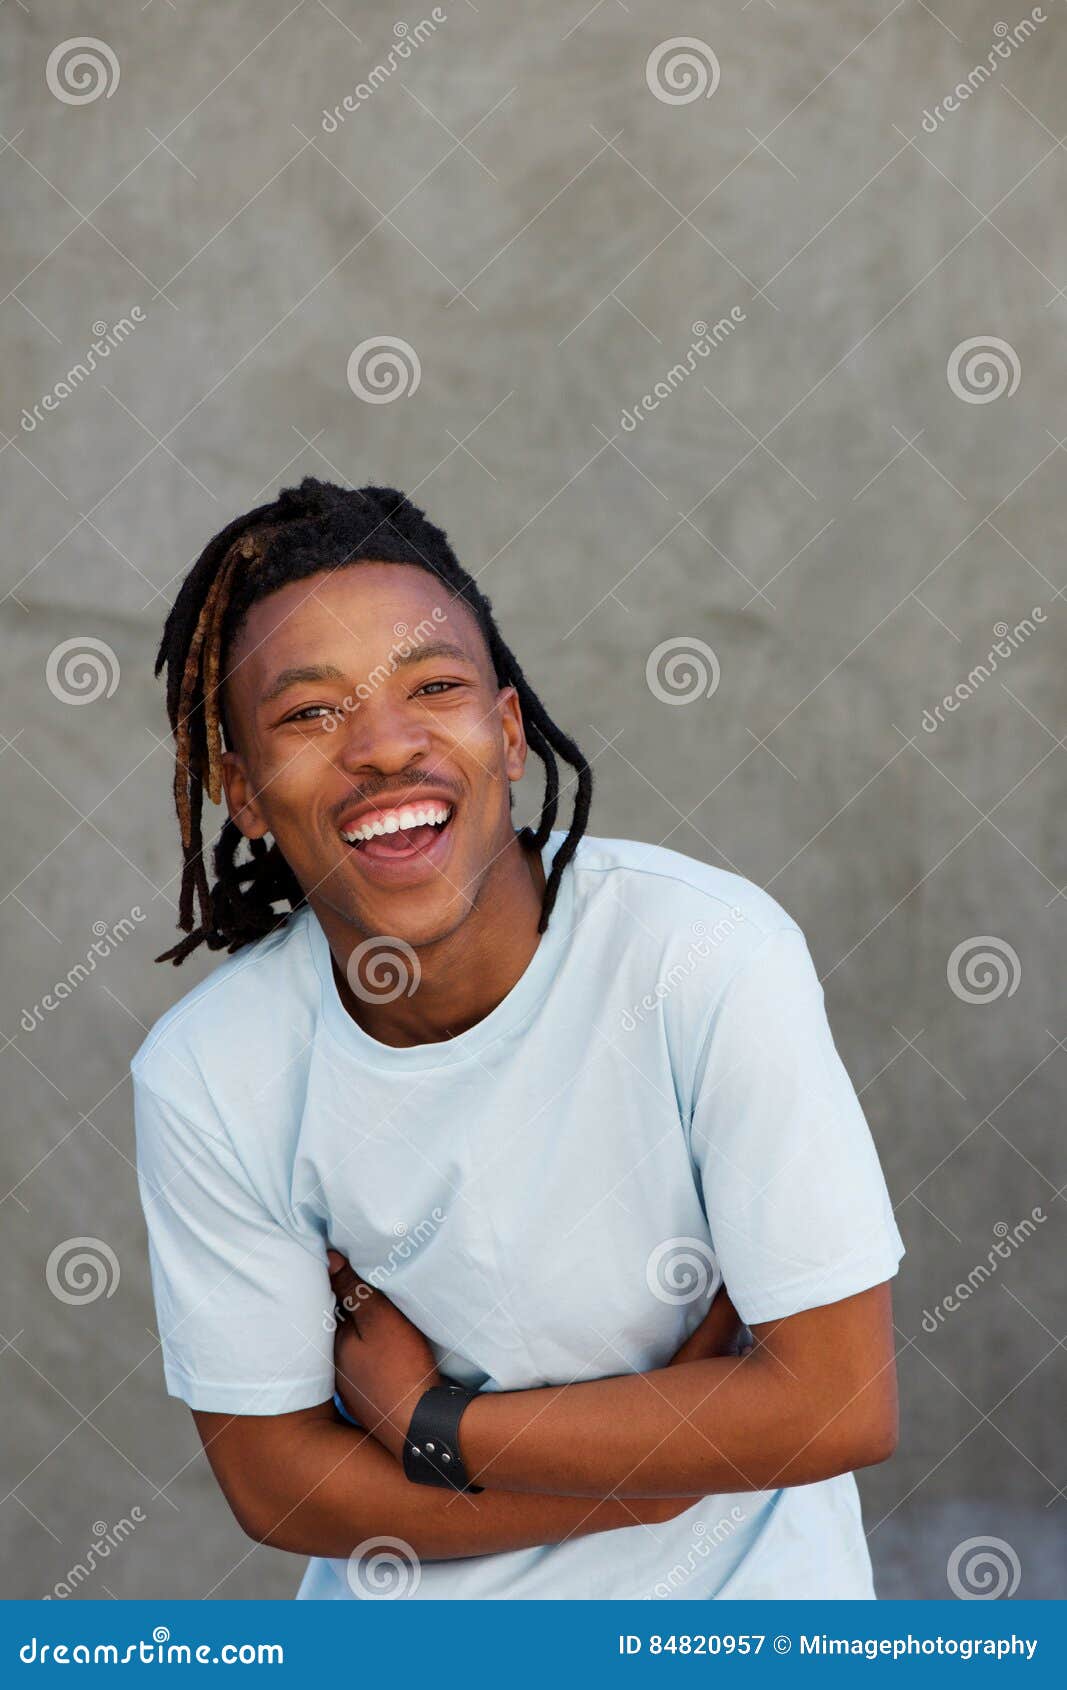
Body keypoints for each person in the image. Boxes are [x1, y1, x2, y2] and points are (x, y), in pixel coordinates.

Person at [131, 475, 904, 1600]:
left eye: (432, 686)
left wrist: (429, 1421)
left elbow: (835, 1398)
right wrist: (656, 1478)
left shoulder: (704, 955)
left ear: (503, 732)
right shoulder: (211, 1075)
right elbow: (278, 1484)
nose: (383, 747)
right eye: (311, 711)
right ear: (243, 792)